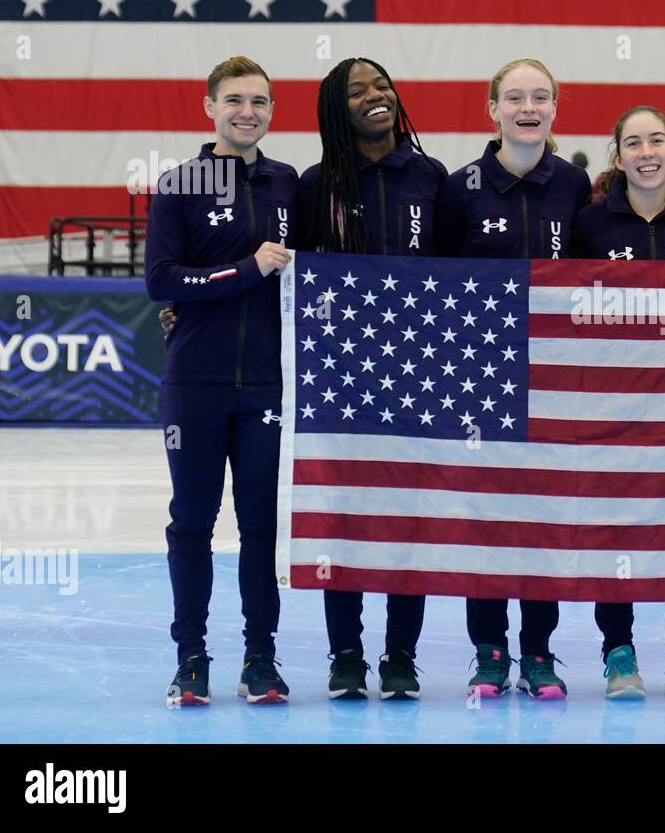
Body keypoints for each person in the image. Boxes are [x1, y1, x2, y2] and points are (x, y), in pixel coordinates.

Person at [145, 56, 298, 706]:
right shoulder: (178, 186)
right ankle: (192, 658)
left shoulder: (289, 184)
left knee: (260, 524)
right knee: (191, 522)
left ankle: (260, 658)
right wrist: (246, 270)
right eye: (235, 99)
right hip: (195, 385)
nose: (248, 111)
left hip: (263, 385)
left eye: (260, 101)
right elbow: (160, 282)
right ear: (209, 106)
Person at [437, 58, 592, 698]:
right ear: (492, 110)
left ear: (554, 109)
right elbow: (434, 282)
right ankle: (490, 651)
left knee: (541, 517)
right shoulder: (460, 187)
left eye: (540, 97)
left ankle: (539, 651)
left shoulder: (577, 186)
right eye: (515, 97)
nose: (528, 107)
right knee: (488, 518)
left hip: (554, 379)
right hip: (479, 380)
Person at [296, 57, 448, 701]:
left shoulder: (431, 175)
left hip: (419, 378)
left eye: (381, 85)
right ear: (338, 109)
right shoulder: (315, 184)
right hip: (341, 377)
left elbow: (460, 274)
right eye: (357, 91)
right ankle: (347, 655)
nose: (375, 96)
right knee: (345, 519)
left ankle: (402, 657)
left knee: (408, 519)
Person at [570, 105, 665, 699]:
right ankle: (618, 652)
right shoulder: (590, 224)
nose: (647, 151)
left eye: (657, 139)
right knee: (616, 530)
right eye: (634, 143)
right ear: (618, 156)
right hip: (615, 403)